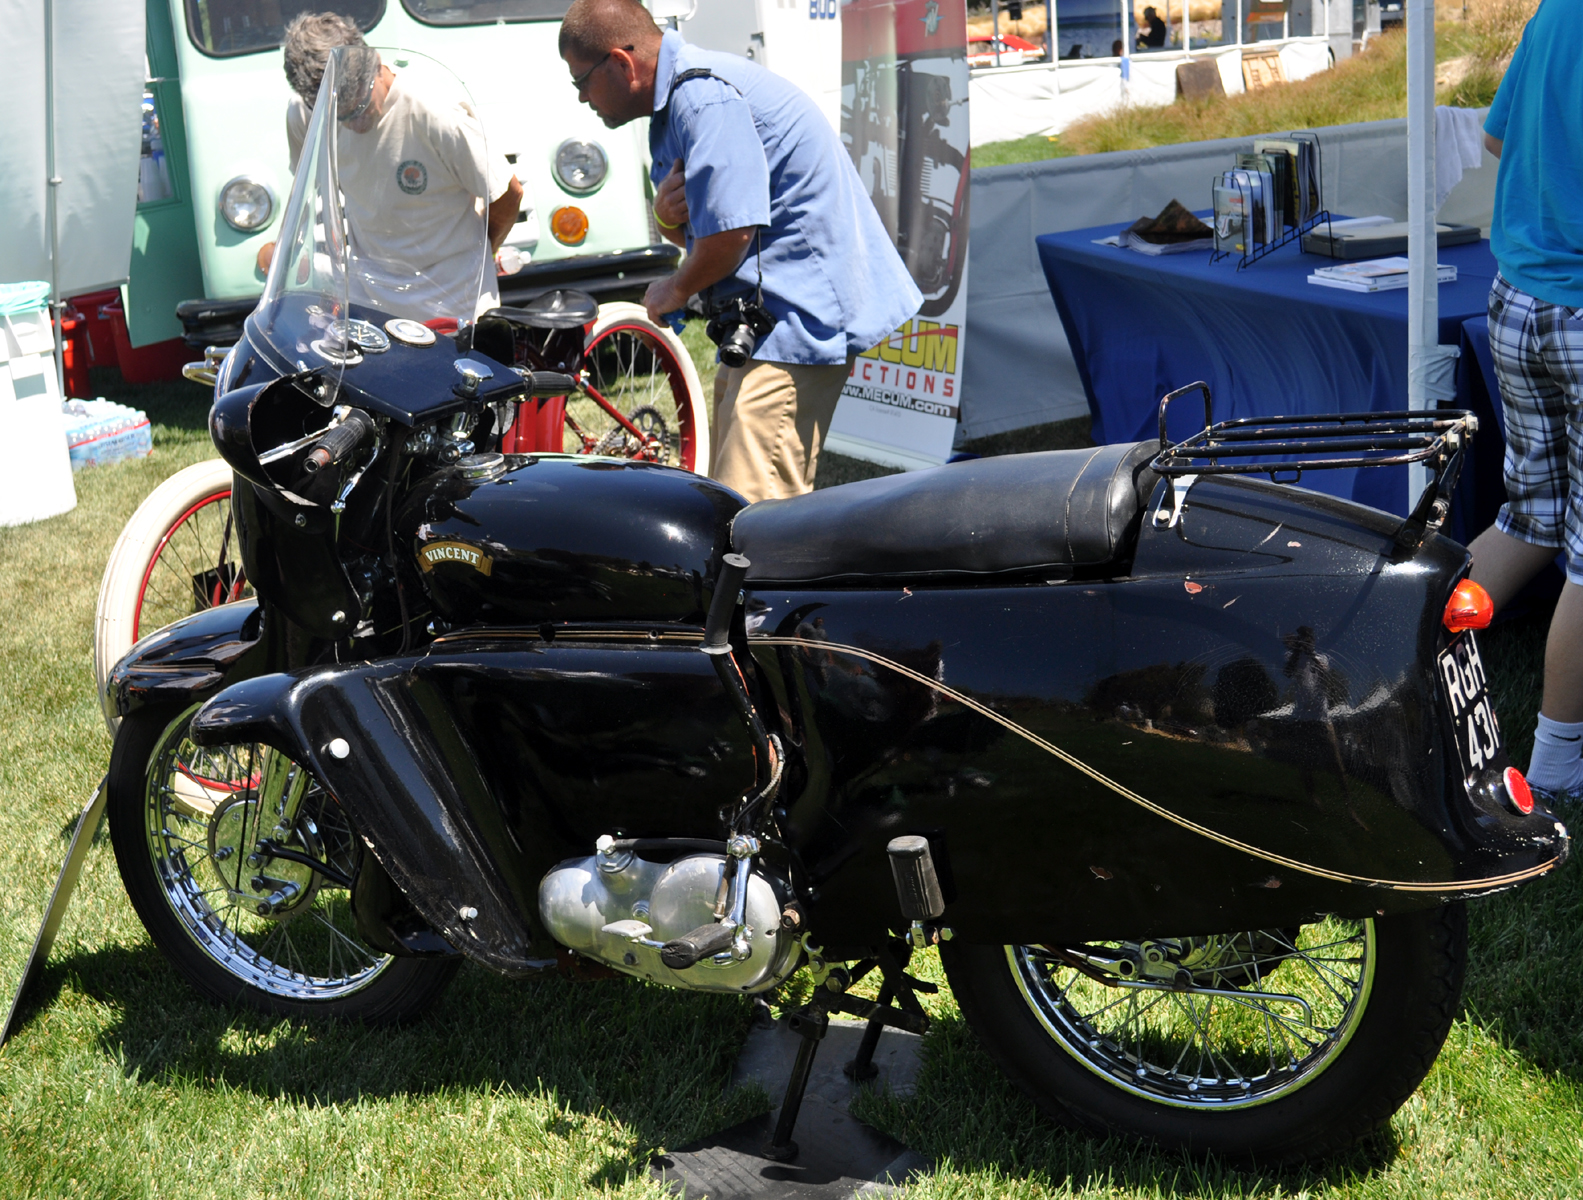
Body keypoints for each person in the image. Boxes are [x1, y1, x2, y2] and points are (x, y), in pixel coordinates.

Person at [558, 0, 921, 503]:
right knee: (729, 500)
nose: (581, 99)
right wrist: (667, 217)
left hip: (794, 322)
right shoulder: (678, 101)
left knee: (753, 521)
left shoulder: (702, 99)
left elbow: (731, 237)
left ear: (622, 62)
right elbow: (700, 229)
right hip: (763, 324)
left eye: (580, 82)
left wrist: (674, 288)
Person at [1467, 0, 1583, 802]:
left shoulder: (1555, 10)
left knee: (1529, 520)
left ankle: (1377, 674)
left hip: (1517, 300)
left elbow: (1496, 138)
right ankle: (1554, 769)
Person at [257, 13, 524, 320]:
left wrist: (484, 251)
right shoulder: (306, 114)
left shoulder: (433, 112)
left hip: (453, 303)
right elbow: (306, 196)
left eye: (360, 106)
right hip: (370, 301)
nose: (354, 124)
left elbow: (508, 193)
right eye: (339, 116)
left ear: (376, 64)